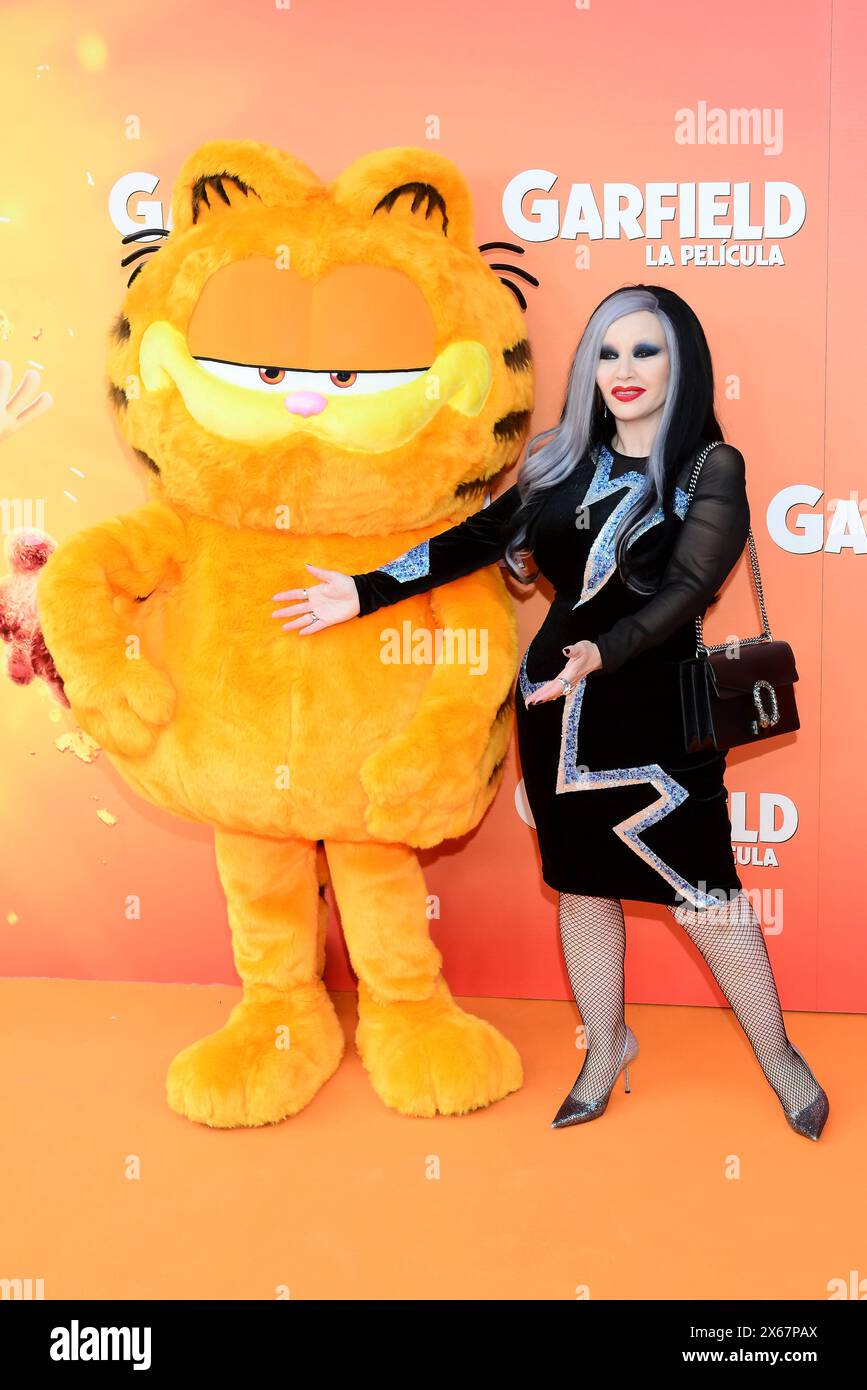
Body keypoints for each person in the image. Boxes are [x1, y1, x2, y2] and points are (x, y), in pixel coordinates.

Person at [271, 284, 829, 1141]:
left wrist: (604, 652)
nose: (624, 370)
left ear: (681, 360)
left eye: (645, 350)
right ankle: (605, 1049)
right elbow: (476, 539)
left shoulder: (707, 467)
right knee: (580, 890)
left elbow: (688, 588)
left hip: (656, 715)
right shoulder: (558, 460)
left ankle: (780, 1057)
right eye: (607, 352)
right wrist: (362, 589)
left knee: (708, 896)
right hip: (552, 707)